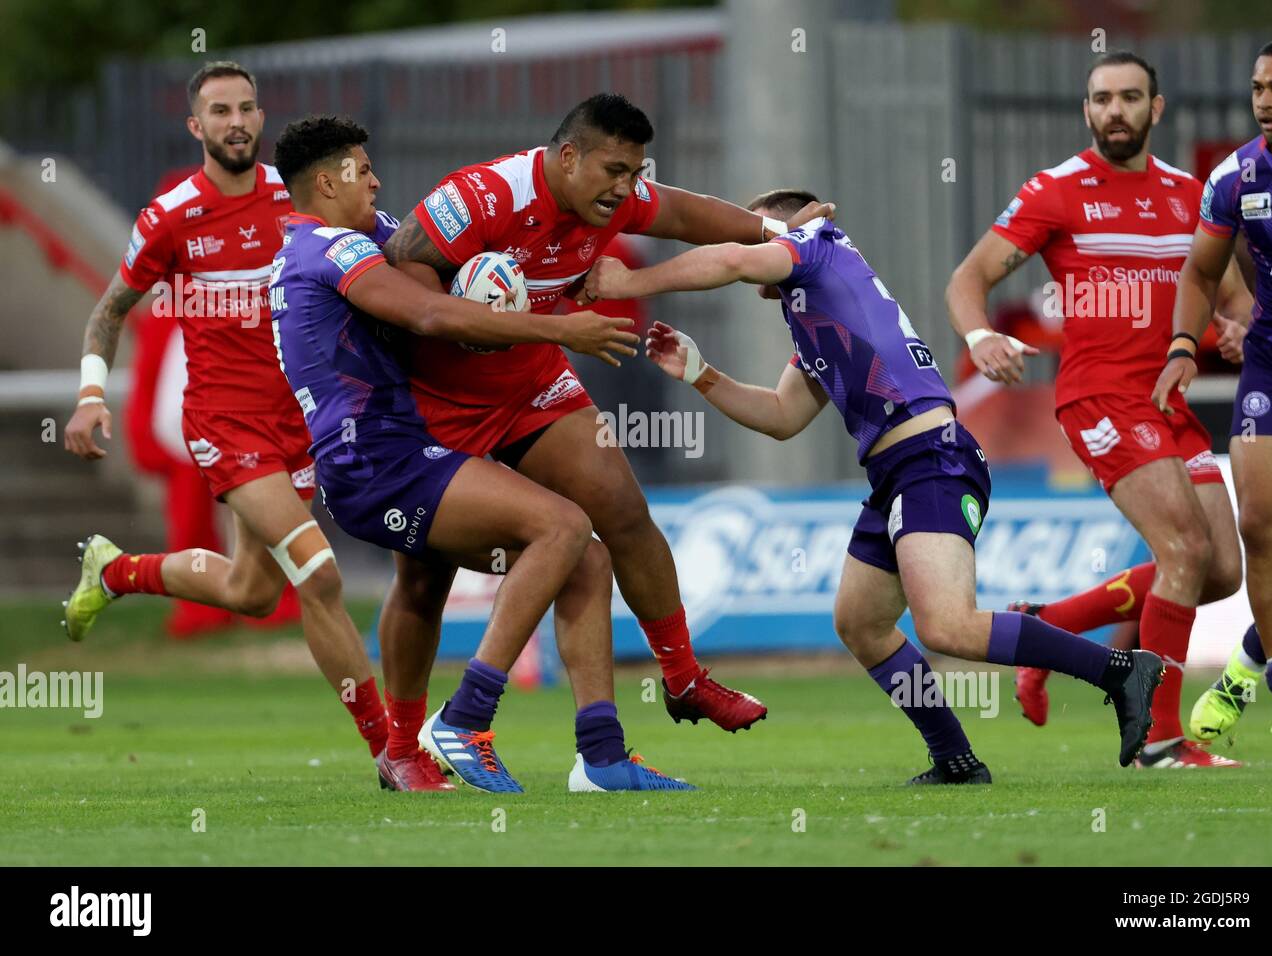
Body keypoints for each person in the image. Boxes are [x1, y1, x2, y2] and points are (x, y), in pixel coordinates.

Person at [584, 189, 1165, 779]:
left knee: (947, 625)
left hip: (929, 457)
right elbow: (783, 418)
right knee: (860, 622)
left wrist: (628, 283)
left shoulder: (814, 244)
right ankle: (955, 759)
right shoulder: (812, 311)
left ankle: (1119, 671)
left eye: (755, 226)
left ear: (785, 224)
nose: (744, 238)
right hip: (897, 471)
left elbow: (733, 260)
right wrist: (702, 374)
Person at [380, 93, 833, 734]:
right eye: (613, 171)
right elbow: (403, 277)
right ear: (568, 157)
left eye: (634, 173)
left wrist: (778, 234)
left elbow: (682, 213)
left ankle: (683, 679)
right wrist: (477, 326)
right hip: (439, 405)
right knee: (425, 581)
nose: (626, 188)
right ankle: (402, 743)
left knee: (623, 509)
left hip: (530, 384)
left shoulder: (619, 194)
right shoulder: (484, 195)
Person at [270, 113, 693, 793]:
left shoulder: (336, 244)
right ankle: (465, 717)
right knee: (561, 526)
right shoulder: (332, 250)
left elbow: (456, 259)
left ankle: (600, 756)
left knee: (571, 560)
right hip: (382, 464)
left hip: (393, 454)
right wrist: (561, 327)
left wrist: (569, 273)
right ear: (326, 182)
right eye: (362, 169)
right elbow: (432, 314)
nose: (376, 180)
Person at [62, 62, 392, 769]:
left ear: (260, 119)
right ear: (196, 126)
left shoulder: (294, 196)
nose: (236, 122)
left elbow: (378, 244)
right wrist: (91, 396)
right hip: (223, 423)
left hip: (295, 418)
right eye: (219, 111)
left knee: (251, 590)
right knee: (320, 574)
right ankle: (390, 750)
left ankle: (117, 573)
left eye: (246, 109)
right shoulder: (172, 214)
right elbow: (109, 310)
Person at [946, 51, 1253, 768]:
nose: (1115, 110)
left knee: (1222, 572)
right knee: (1182, 550)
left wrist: (1236, 327)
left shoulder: (1189, 196)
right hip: (1101, 396)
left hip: (1170, 401)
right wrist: (981, 332)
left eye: (1129, 97)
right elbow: (970, 277)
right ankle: (1160, 738)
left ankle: (1048, 628)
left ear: (1157, 108)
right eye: (1102, 99)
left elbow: (1231, 297)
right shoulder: (1057, 190)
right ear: (1087, 112)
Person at [1153, 34, 1272, 764]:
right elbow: (1199, 274)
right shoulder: (1236, 177)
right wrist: (1186, 345)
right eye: (1257, 88)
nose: (1264, 101)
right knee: (1264, 527)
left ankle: (1243, 672)